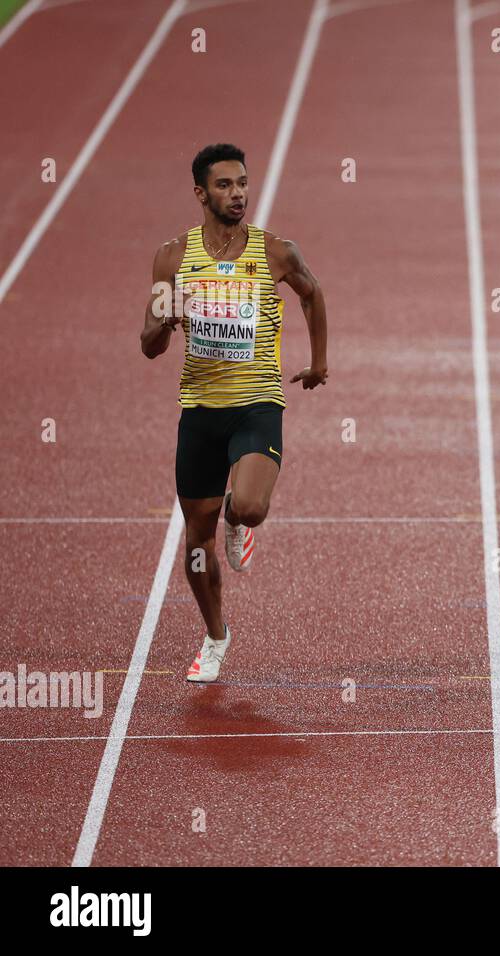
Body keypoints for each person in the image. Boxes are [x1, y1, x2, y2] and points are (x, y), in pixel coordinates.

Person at [140, 143, 329, 683]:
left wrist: (319, 363)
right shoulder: (172, 258)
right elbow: (149, 344)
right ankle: (216, 636)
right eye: (224, 185)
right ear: (200, 193)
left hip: (256, 405)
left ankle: (237, 516)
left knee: (248, 507)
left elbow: (313, 295)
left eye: (242, 183)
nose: (237, 193)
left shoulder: (276, 252)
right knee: (196, 542)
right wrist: (167, 318)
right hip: (199, 411)